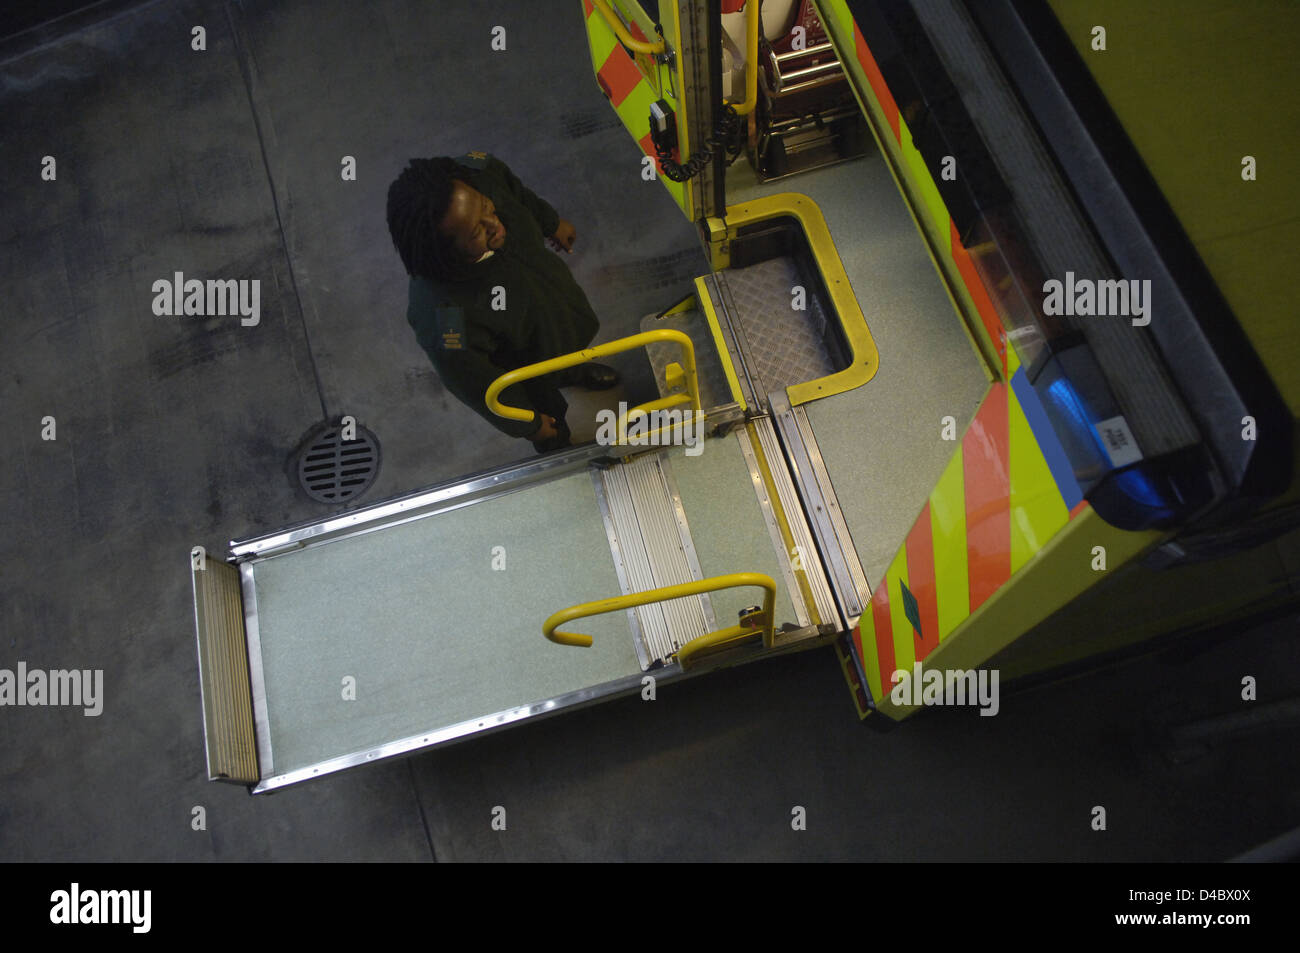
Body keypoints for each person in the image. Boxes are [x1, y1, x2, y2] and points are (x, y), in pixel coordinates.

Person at [386, 151, 619, 454]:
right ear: (444, 252)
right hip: (527, 370)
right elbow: (476, 384)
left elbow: (516, 192)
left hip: (556, 310)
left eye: (486, 206)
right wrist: (529, 424)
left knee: (568, 344)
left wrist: (550, 223)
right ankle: (557, 445)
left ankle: (571, 370)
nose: (495, 225)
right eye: (477, 232)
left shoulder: (477, 175)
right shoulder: (445, 318)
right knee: (550, 417)